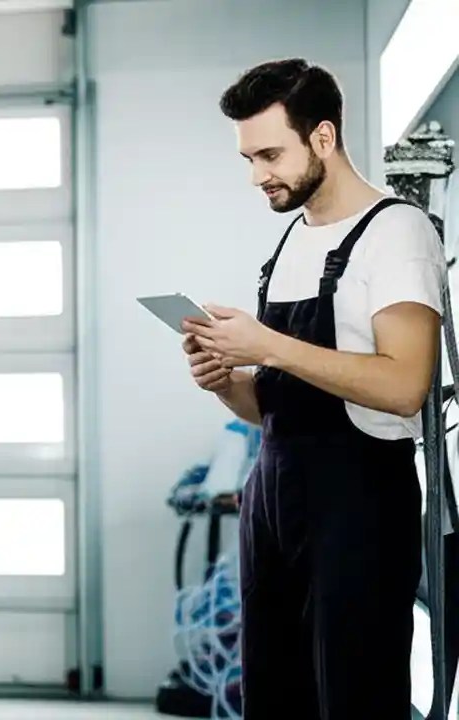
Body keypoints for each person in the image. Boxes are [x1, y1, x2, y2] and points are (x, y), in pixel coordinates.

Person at [182, 58, 446, 718]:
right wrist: (226, 378)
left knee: (354, 697)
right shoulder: (290, 243)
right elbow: (272, 404)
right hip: (272, 502)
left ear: (323, 137)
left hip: (358, 509)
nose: (257, 176)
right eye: (248, 158)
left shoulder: (397, 233)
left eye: (270, 154)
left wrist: (267, 344)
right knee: (274, 695)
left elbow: (406, 385)